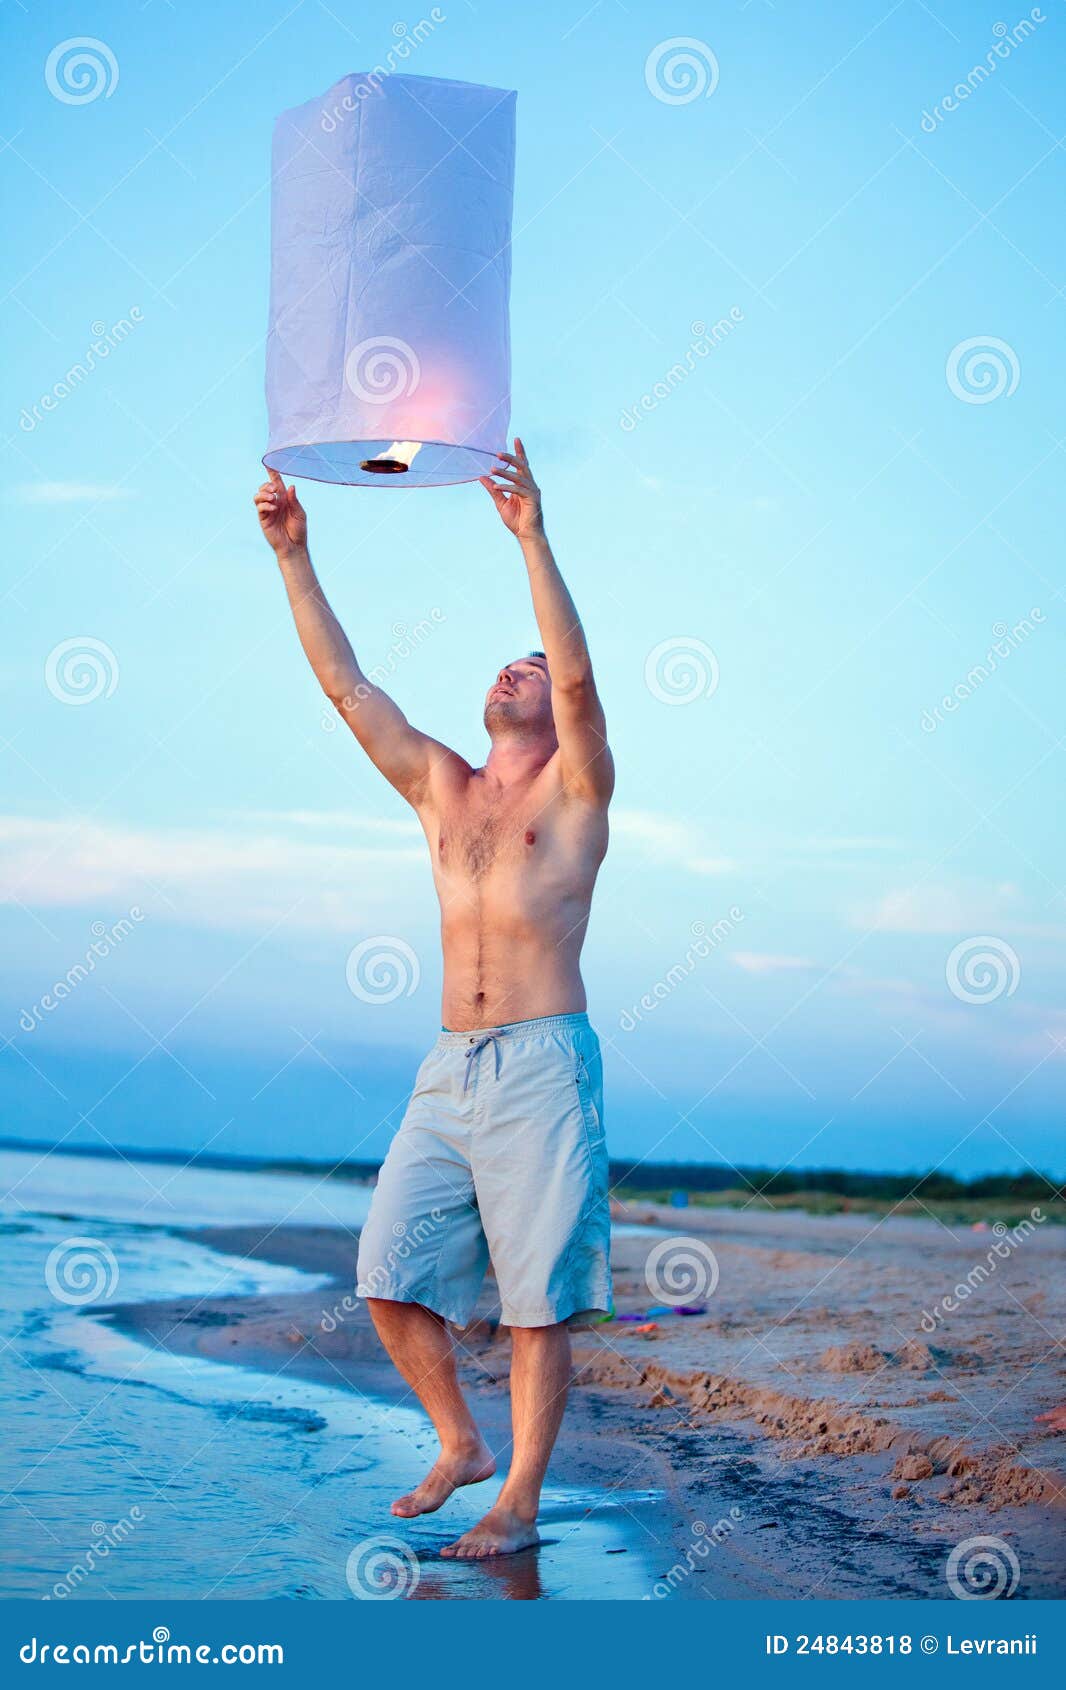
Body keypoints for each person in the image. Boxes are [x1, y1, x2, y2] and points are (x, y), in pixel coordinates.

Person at [254, 438, 614, 1559]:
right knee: (385, 1272)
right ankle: (462, 1440)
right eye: (499, 666)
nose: (512, 674)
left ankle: (520, 1504)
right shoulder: (441, 787)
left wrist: (530, 539)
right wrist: (294, 559)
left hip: (543, 1060)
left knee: (533, 1305)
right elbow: (346, 688)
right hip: (449, 1066)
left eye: (526, 671)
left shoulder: (578, 788)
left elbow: (577, 680)